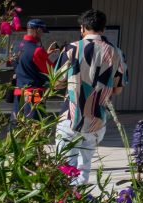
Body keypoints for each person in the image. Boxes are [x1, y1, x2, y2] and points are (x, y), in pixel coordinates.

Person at [54, 10, 128, 186]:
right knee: (84, 166)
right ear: (103, 28)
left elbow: (56, 83)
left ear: (82, 28)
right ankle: (80, 200)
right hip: (97, 118)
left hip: (70, 116)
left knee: (65, 165)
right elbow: (118, 90)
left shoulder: (71, 49)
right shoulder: (117, 52)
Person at [10, 20, 51, 121]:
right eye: (42, 32)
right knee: (34, 123)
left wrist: (45, 55)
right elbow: (50, 71)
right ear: (38, 30)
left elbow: (23, 64)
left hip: (18, 92)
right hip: (34, 93)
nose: (42, 35)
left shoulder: (15, 47)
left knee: (16, 124)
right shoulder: (37, 50)